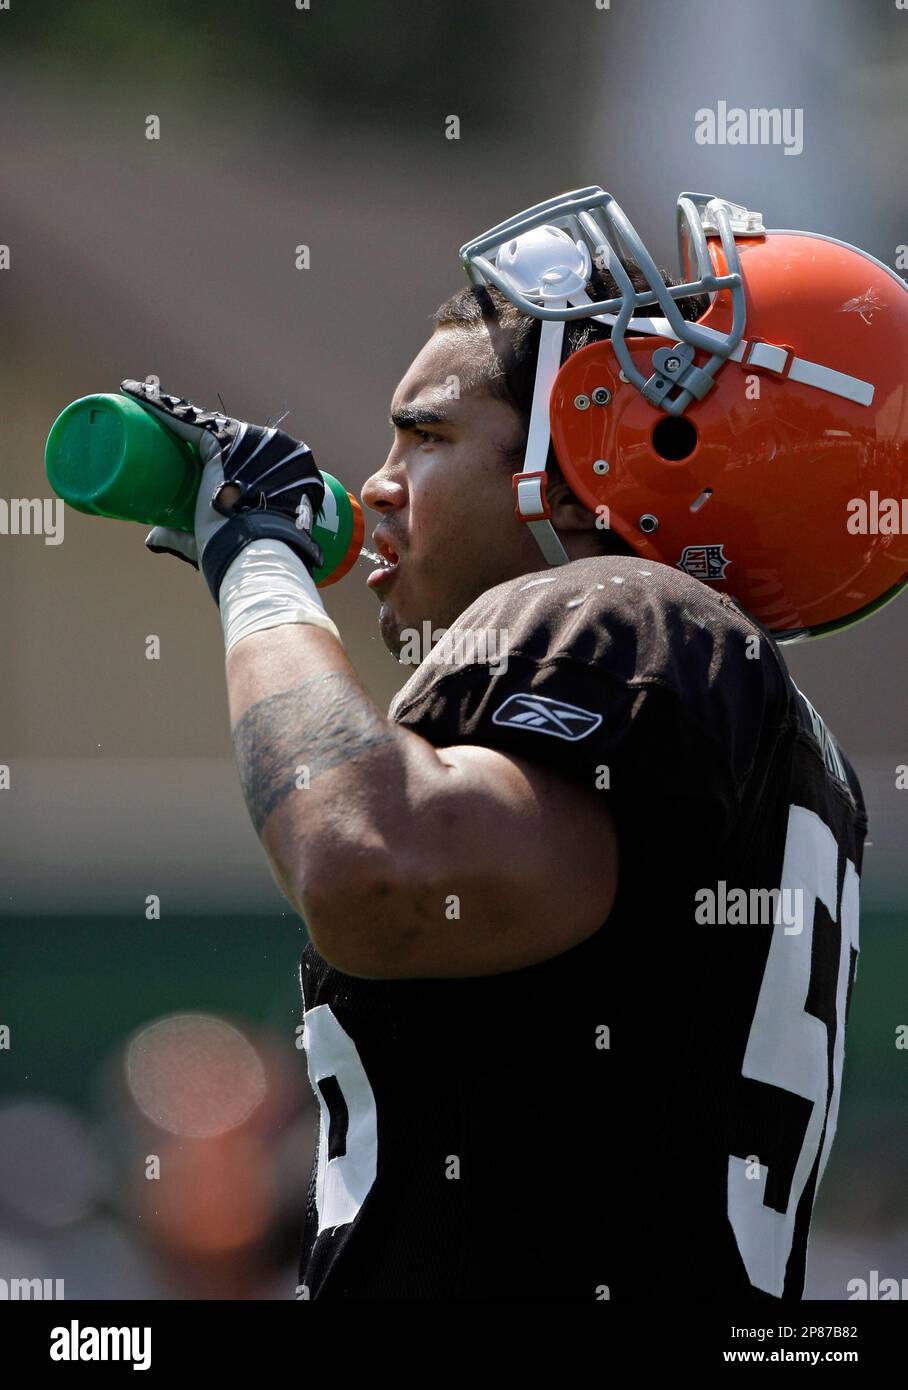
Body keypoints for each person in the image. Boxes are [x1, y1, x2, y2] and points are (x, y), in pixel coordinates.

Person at [123, 187, 908, 1300]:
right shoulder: (755, 714)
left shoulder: (618, 608)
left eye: (425, 435)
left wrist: (255, 561)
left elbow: (370, 868)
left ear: (619, 439)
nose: (376, 485)